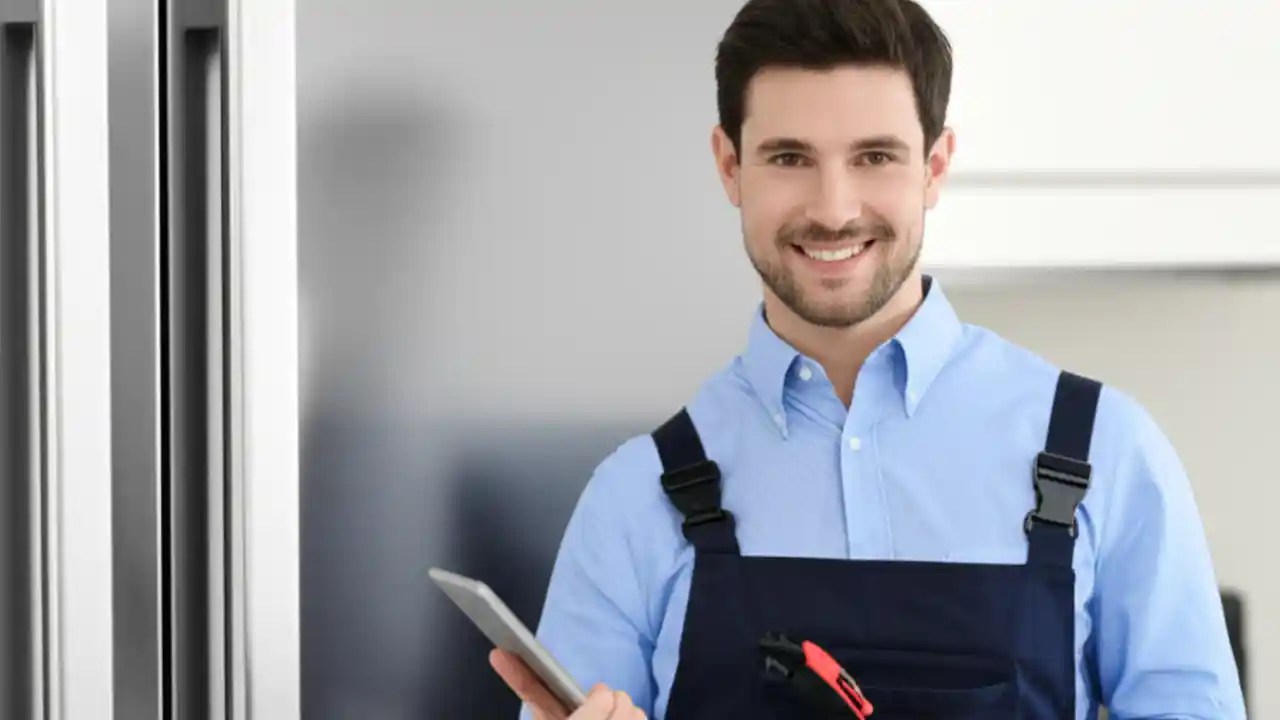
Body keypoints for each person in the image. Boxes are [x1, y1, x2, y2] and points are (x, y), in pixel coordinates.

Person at [491, 0, 1247, 717]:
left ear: (936, 164)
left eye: (875, 156)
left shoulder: (1103, 451)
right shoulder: (636, 499)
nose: (833, 208)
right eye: (789, 157)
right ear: (729, 166)